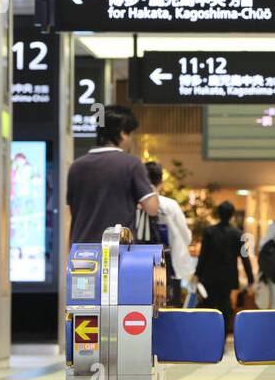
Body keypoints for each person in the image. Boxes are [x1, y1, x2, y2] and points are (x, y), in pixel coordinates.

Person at [66, 105, 157, 244]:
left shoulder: (76, 166)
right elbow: (152, 208)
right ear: (121, 133)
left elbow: (71, 213)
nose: (131, 139)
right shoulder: (131, 164)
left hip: (82, 251)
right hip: (117, 252)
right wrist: (153, 190)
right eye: (130, 133)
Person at [142, 161, 195, 306]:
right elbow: (185, 235)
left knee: (143, 302)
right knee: (168, 304)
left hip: (138, 261)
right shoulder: (170, 205)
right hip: (167, 262)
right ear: (161, 182)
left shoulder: (135, 203)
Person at [197, 200, 254, 327]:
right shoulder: (239, 234)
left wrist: (197, 273)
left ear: (218, 214)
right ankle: (224, 331)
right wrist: (250, 278)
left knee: (209, 302)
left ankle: (206, 330)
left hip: (209, 274)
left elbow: (203, 255)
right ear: (232, 215)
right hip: (228, 276)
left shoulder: (209, 232)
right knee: (225, 302)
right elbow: (245, 258)